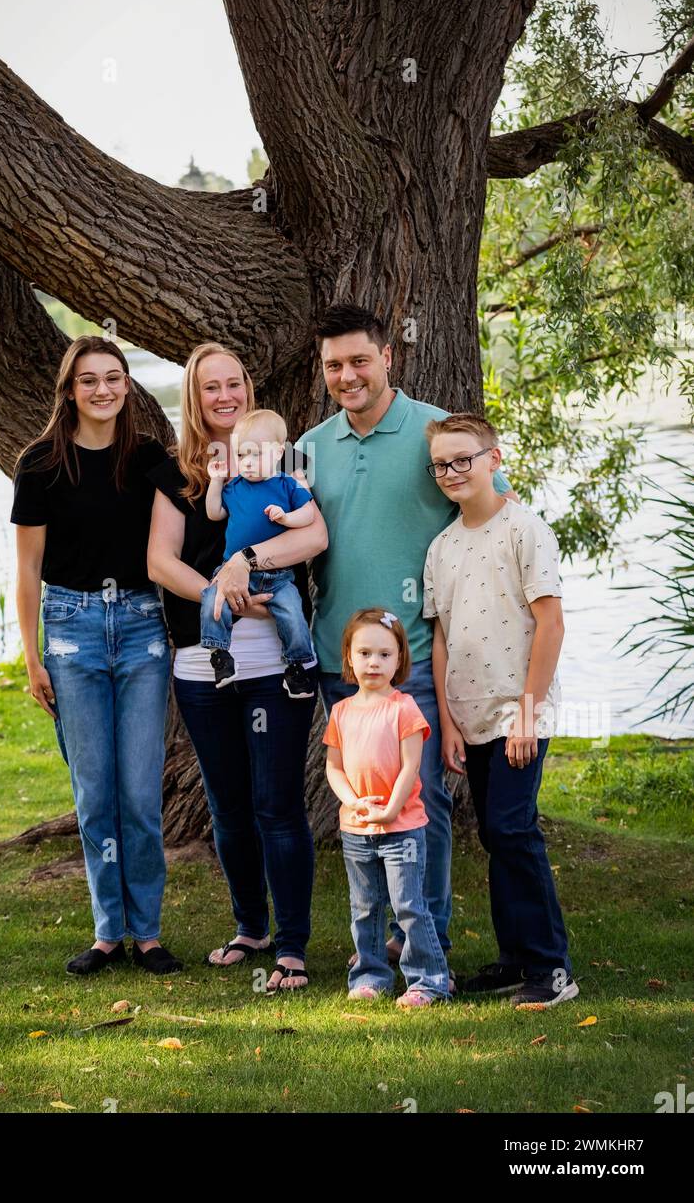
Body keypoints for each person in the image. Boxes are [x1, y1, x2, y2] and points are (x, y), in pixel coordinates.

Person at [295, 303, 516, 979]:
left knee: (420, 808)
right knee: (364, 808)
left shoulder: (432, 432)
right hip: (341, 660)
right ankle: (384, 939)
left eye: (359, 360)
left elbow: (495, 513)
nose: (347, 375)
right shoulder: (308, 447)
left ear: (388, 356)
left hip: (415, 658)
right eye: (334, 365)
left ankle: (428, 937)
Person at [147, 342, 328, 991]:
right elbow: (160, 561)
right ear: (194, 399)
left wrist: (245, 562)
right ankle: (249, 926)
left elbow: (313, 536)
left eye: (234, 385)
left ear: (248, 391)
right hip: (203, 661)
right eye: (210, 388)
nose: (224, 397)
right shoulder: (182, 471)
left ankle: (292, 949)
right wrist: (217, 592)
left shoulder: (288, 459)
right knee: (226, 805)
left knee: (277, 804)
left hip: (276, 658)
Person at [12, 335, 181, 977]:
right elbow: (28, 571)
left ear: (127, 386)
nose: (104, 390)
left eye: (114, 378)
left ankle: (148, 933)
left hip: (141, 629)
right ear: (71, 390)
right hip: (69, 632)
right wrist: (32, 660)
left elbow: (197, 515)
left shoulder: (146, 461)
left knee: (139, 795)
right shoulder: (39, 464)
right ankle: (107, 931)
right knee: (94, 795)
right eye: (90, 380)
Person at [423, 412, 578, 1007]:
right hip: (469, 712)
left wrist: (528, 714)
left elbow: (551, 624)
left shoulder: (525, 529)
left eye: (463, 459)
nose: (452, 472)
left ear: (493, 458)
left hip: (519, 712)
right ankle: (515, 957)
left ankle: (552, 969)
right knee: (494, 833)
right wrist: (449, 719)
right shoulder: (442, 546)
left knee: (514, 830)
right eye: (441, 464)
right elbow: (440, 638)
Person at [324, 609, 451, 1008]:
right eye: (364, 653)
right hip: (357, 828)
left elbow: (412, 766)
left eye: (384, 654)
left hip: (402, 828)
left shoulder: (404, 709)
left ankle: (430, 980)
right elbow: (334, 766)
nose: (373, 662)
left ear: (399, 660)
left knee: (409, 905)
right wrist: (354, 803)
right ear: (348, 657)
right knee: (364, 908)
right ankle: (371, 974)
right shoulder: (341, 712)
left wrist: (391, 810)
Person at [202, 407, 316, 697]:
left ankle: (296, 666)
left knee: (292, 613)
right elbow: (214, 514)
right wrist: (215, 482)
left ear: (278, 453)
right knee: (212, 599)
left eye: (255, 455)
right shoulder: (235, 487)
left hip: (277, 576)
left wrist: (285, 518)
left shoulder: (287, 484)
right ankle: (219, 654)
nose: (247, 463)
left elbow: (308, 515)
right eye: (241, 456)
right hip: (233, 571)